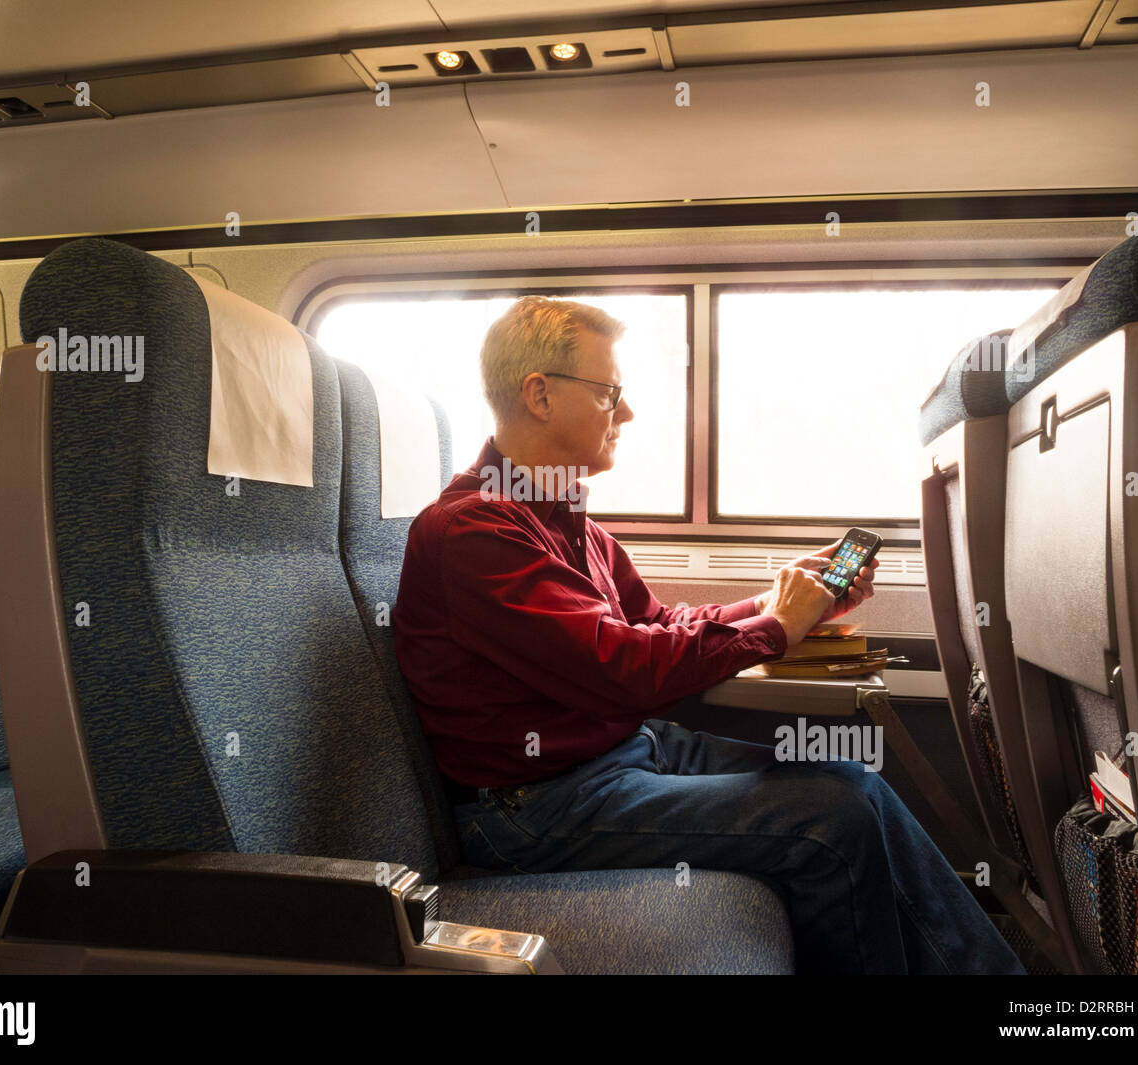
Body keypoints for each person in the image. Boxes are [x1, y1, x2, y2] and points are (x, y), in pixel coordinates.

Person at [392, 295, 1024, 975]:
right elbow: (623, 667)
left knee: (849, 777)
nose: (625, 413)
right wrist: (777, 630)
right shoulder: (474, 532)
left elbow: (659, 624)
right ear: (540, 396)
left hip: (624, 756)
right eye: (609, 393)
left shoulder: (573, 524)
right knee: (831, 820)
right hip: (536, 809)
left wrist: (782, 603)